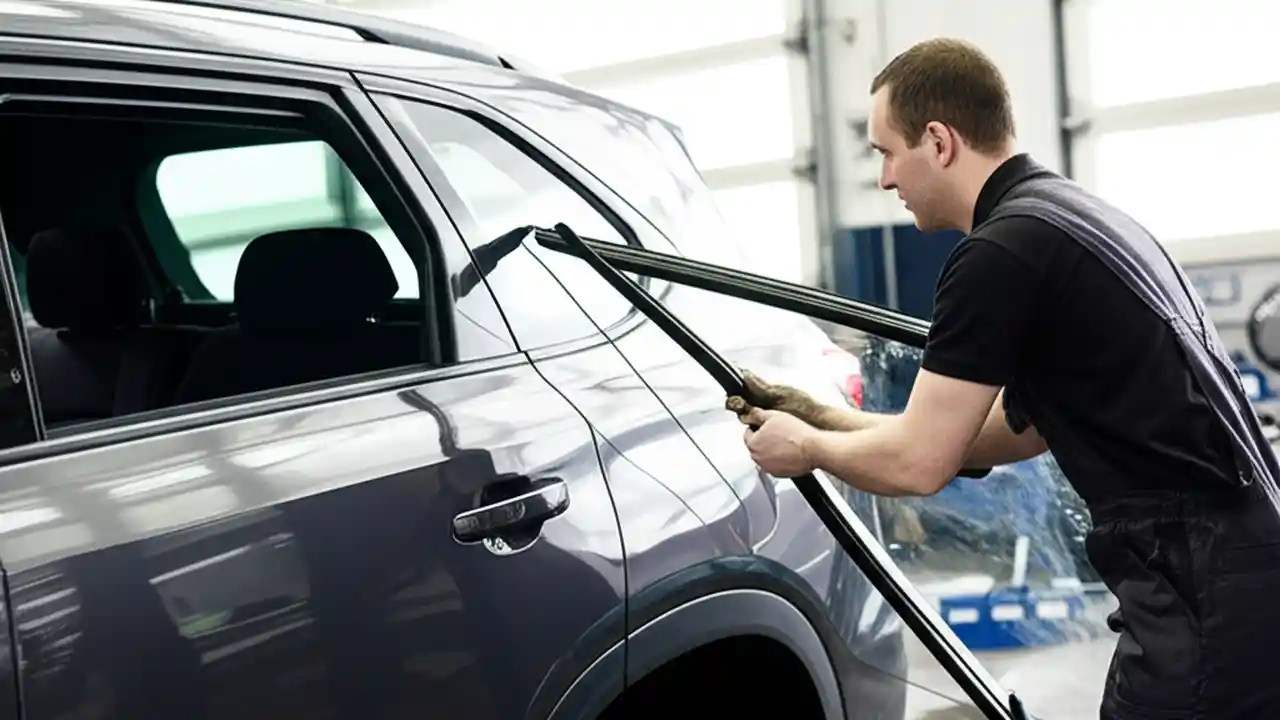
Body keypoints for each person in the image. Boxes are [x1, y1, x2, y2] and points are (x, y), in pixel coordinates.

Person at [729, 38, 1280, 720]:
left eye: (885, 152)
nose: (884, 180)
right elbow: (1007, 434)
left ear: (938, 140)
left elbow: (920, 463)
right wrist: (822, 416)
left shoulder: (998, 255)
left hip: (1201, 589)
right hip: (1238, 572)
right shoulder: (1072, 218)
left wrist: (805, 451)